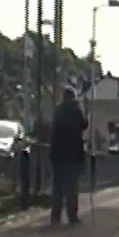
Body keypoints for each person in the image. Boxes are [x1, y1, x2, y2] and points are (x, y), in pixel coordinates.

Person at [49, 85, 89, 225]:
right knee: (72, 187)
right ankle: (72, 216)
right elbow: (84, 124)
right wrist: (83, 109)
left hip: (58, 154)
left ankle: (56, 215)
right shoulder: (76, 110)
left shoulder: (58, 110)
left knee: (58, 187)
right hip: (73, 154)